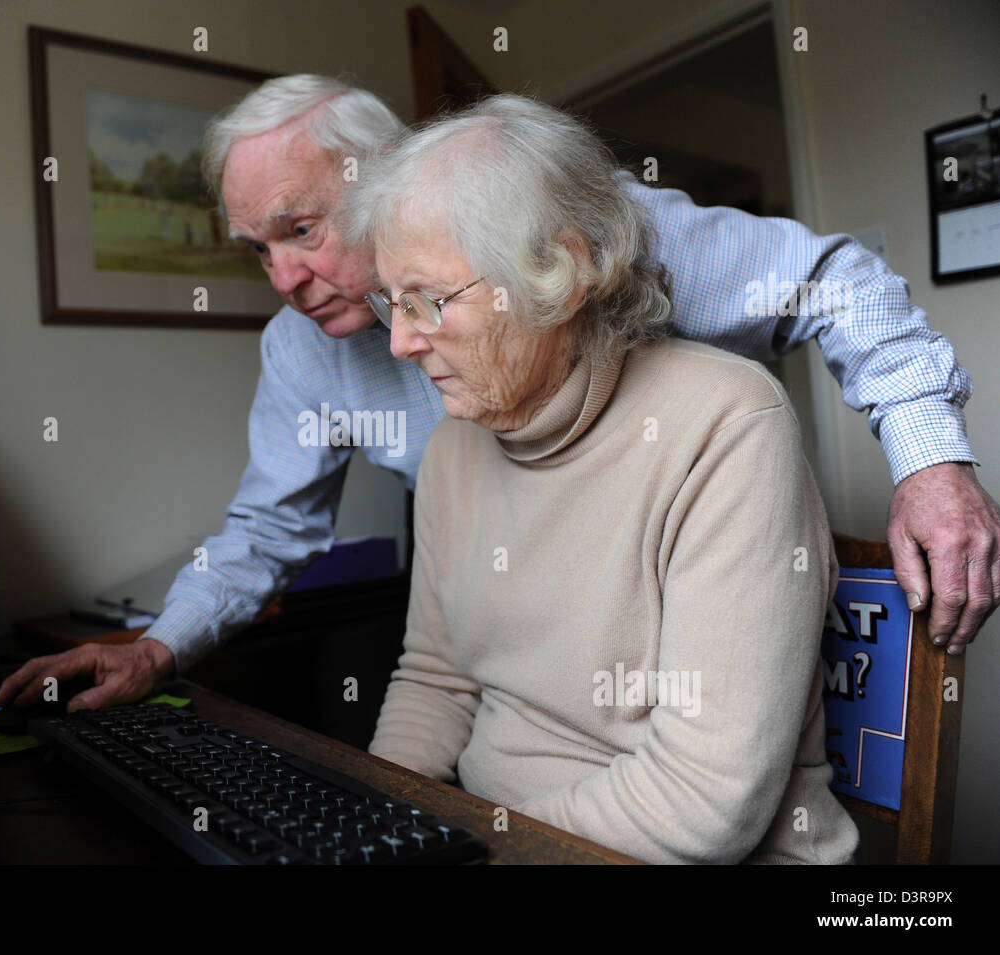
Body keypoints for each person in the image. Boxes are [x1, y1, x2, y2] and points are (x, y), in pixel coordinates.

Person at [0, 75, 1000, 715]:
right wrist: (159, 647)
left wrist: (930, 463)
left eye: (302, 230)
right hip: (518, 682)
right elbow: (265, 529)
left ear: (388, 181)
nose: (283, 279)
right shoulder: (302, 349)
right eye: (257, 249)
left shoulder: (581, 227)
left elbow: (825, 280)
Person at [353, 93, 857, 864]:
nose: (399, 342)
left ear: (561, 268)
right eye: (390, 301)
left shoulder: (725, 423)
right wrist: (378, 829)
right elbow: (437, 678)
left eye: (427, 300)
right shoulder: (455, 447)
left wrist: (467, 849)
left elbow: (701, 804)